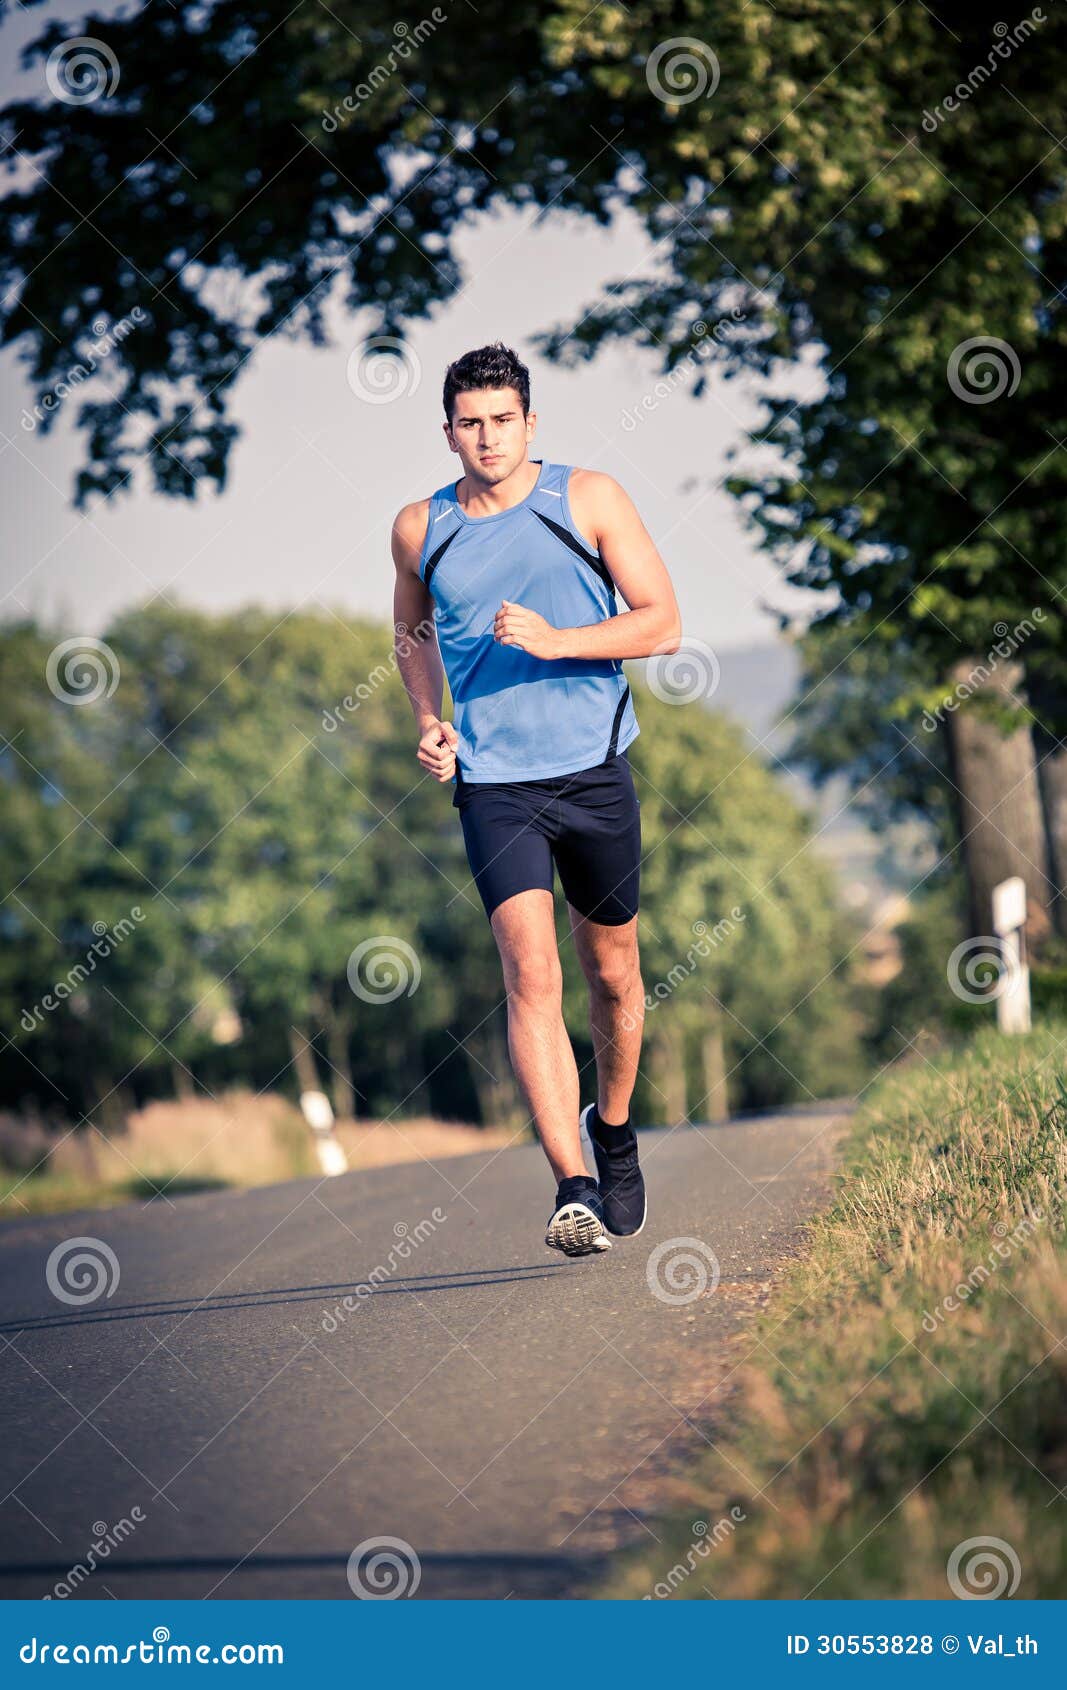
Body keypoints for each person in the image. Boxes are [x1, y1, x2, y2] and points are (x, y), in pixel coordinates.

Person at [391, 342, 681, 1256]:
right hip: (493, 784)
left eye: (502, 420)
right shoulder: (418, 527)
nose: (486, 438)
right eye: (469, 424)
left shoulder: (585, 498)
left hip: (593, 770)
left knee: (613, 974)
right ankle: (574, 1186)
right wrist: (428, 718)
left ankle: (616, 1130)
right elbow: (410, 632)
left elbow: (663, 623)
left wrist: (556, 642)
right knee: (530, 975)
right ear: (447, 432)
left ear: (529, 423)